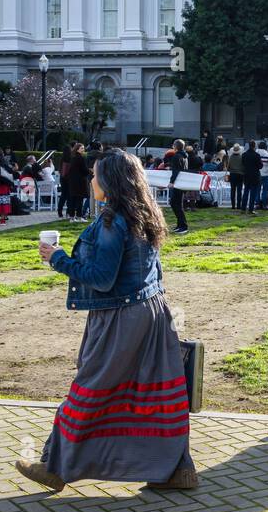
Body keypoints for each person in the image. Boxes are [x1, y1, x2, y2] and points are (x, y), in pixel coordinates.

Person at [17, 150, 197, 493]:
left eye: (95, 174)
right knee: (153, 393)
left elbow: (102, 279)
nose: (91, 180)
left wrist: (58, 260)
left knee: (90, 388)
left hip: (121, 317)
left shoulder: (114, 220)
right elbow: (154, 270)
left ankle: (55, 467)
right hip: (154, 311)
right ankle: (178, 469)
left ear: (111, 180)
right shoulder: (146, 212)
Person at [64, 144, 90, 222]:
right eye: (82, 148)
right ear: (77, 149)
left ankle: (72, 217)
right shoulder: (81, 158)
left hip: (72, 182)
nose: (83, 150)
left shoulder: (72, 158)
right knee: (80, 200)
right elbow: (84, 170)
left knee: (73, 200)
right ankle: (79, 217)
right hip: (80, 182)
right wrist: (89, 171)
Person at [239, 139, 261, 218]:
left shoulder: (244, 155)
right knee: (253, 193)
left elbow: (243, 163)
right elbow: (260, 166)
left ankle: (243, 208)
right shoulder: (257, 155)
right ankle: (251, 209)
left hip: (246, 175)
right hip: (255, 175)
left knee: (246, 192)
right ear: (254, 146)